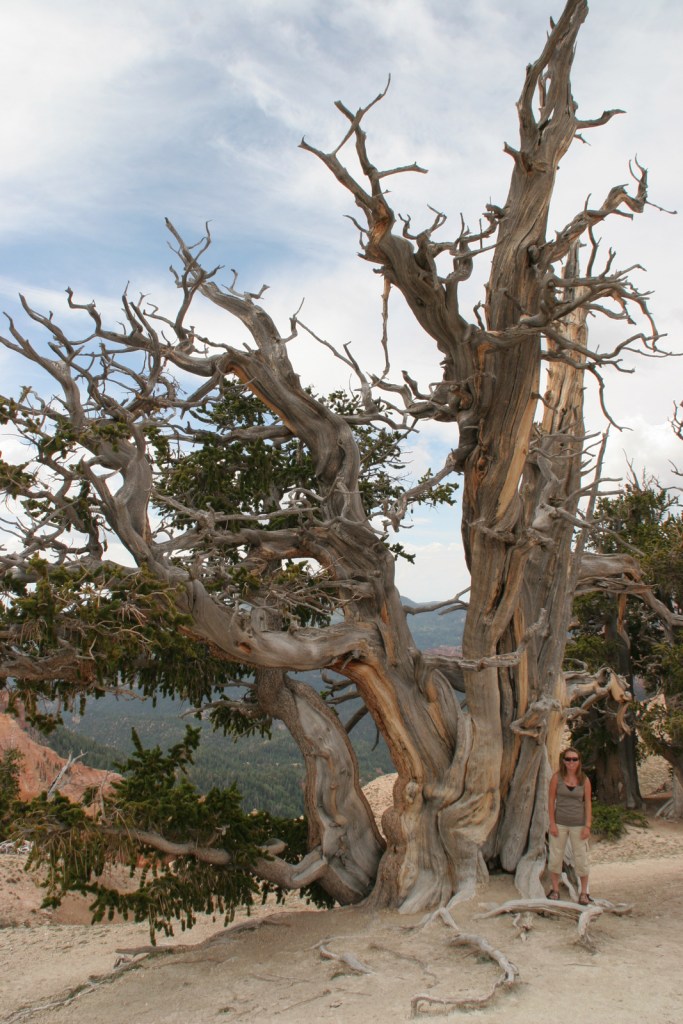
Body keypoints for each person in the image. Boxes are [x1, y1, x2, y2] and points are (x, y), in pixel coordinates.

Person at [547, 746, 592, 904]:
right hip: (559, 823)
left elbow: (587, 803)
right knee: (555, 857)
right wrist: (551, 823)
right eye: (568, 759)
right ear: (563, 761)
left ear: (579, 761)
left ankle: (584, 892)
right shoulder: (556, 778)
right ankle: (555, 889)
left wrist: (587, 825)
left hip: (578, 825)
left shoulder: (584, 780)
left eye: (574, 759)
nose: (571, 762)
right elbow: (551, 800)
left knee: (581, 858)